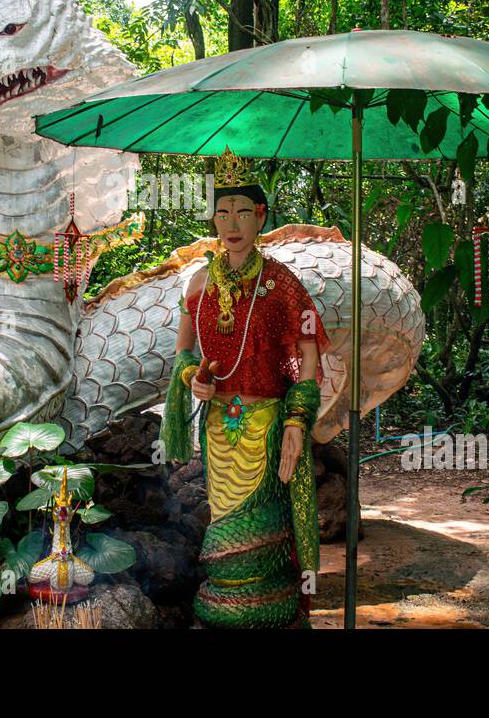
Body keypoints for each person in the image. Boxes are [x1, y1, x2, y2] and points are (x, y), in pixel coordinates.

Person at [160, 147, 330, 628]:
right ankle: (224, 610)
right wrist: (195, 381)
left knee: (265, 524)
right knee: (224, 524)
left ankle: (270, 610)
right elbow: (184, 357)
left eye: (241, 213)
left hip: (269, 423)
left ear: (260, 217)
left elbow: (308, 359)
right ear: (212, 219)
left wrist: (298, 421)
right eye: (221, 213)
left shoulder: (283, 285)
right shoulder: (197, 285)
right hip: (219, 427)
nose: (231, 224)